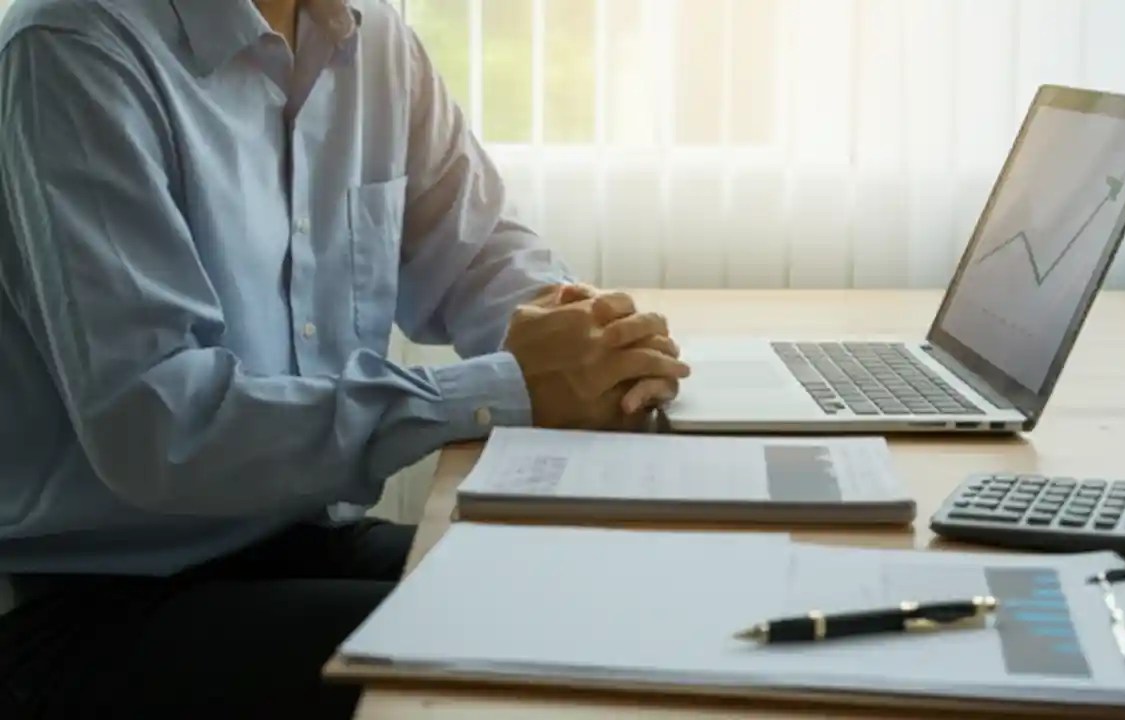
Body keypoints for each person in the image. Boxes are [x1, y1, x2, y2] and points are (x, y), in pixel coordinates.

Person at [0, 0, 688, 717]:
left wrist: (592, 341)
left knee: (600, 590)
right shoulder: (72, 47)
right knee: (527, 650)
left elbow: (476, 251)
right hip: (100, 605)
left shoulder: (369, 34)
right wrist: (499, 390)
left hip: (299, 538)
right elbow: (162, 427)